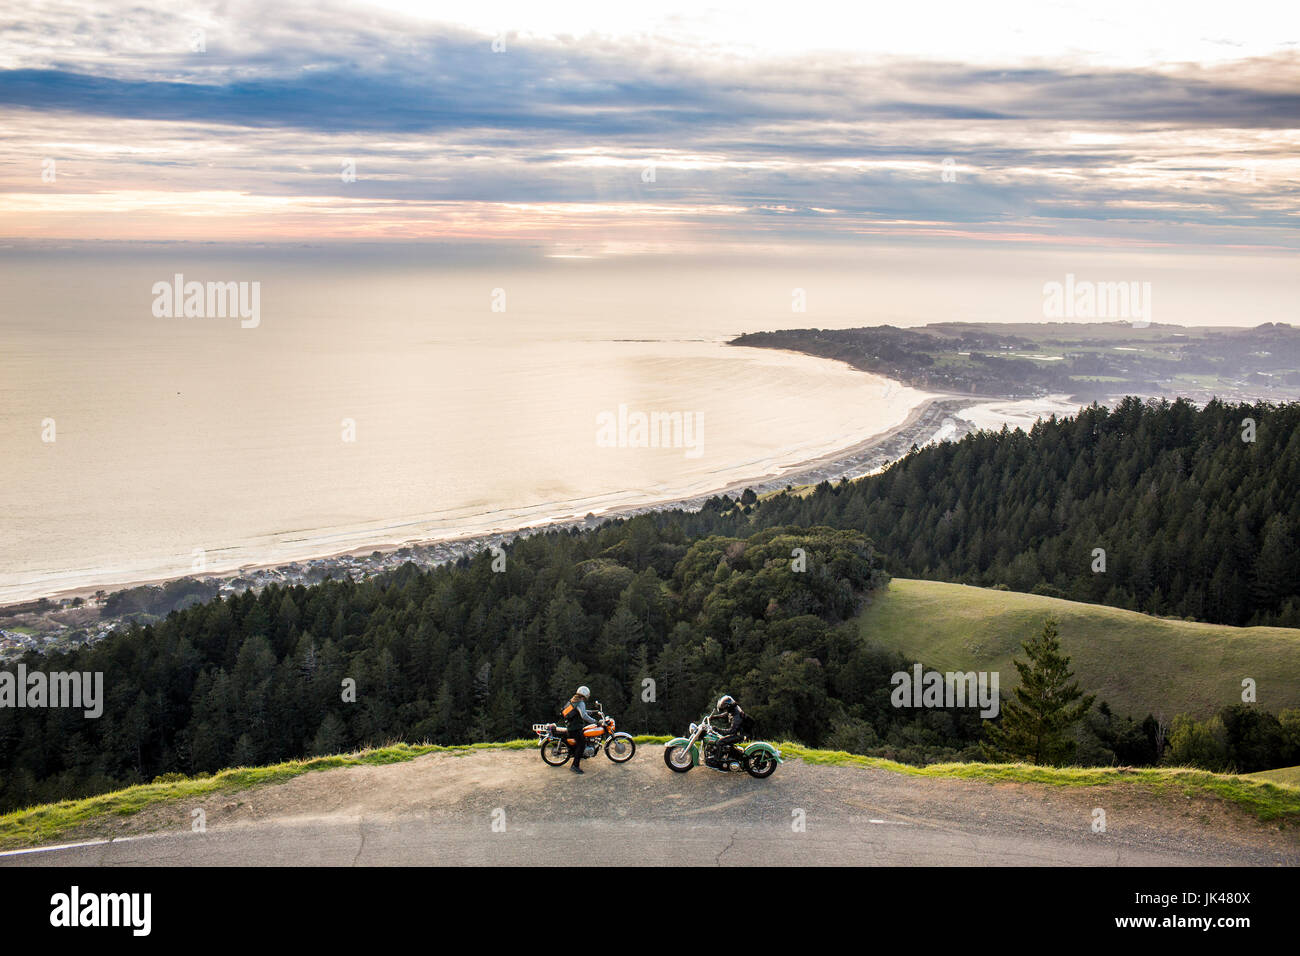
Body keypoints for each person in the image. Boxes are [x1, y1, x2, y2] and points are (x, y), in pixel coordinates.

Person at [561, 685, 597, 774]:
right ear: (585, 694)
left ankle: (580, 756)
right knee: (581, 745)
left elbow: (580, 711)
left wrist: (591, 712)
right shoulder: (580, 702)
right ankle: (574, 766)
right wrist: (595, 721)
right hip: (575, 728)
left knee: (581, 742)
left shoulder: (574, 700)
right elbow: (583, 715)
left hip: (571, 726)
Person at [709, 695, 748, 769]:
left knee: (720, 742)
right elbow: (726, 714)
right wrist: (714, 717)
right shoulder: (734, 709)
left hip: (739, 735)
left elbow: (731, 731)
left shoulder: (737, 717)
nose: (725, 710)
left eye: (726, 708)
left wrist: (717, 729)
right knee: (718, 739)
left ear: (729, 707)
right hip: (737, 733)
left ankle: (716, 761)